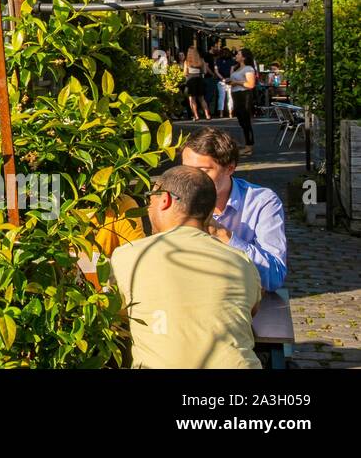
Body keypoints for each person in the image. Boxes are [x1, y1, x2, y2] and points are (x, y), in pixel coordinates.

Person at [109, 165, 261, 369]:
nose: (147, 207)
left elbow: (114, 313)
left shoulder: (128, 256)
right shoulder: (242, 261)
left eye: (150, 198)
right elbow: (250, 311)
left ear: (165, 200)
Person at [180, 127, 287, 291]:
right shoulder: (176, 201)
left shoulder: (262, 202)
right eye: (186, 170)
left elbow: (274, 277)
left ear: (230, 168)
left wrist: (223, 235)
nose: (191, 179)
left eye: (203, 171)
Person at [225, 48, 259, 150]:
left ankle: (249, 145)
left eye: (238, 54)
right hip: (236, 94)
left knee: (246, 121)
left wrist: (237, 82)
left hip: (244, 95)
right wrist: (230, 81)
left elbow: (250, 84)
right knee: (241, 120)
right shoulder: (236, 68)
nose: (236, 56)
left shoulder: (248, 69)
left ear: (244, 57)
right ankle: (247, 143)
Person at [183, 45, 211, 121]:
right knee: (202, 99)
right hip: (199, 79)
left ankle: (196, 116)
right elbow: (204, 72)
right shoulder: (201, 60)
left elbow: (185, 73)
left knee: (192, 99)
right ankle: (207, 115)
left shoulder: (187, 62)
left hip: (191, 80)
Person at [214, 47, 235, 117]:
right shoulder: (231, 60)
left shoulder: (217, 60)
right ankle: (230, 112)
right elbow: (232, 71)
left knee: (221, 97)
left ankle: (221, 113)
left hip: (221, 81)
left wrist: (222, 78)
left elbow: (216, 71)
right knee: (230, 97)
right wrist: (229, 78)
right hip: (229, 80)